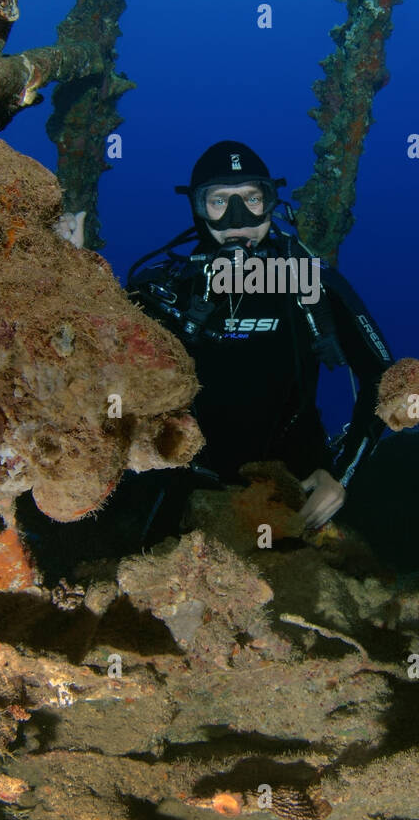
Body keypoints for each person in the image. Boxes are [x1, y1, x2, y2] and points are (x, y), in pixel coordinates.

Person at [126, 141, 393, 534]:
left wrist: (340, 476)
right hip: (184, 481)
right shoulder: (163, 290)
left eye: (252, 198)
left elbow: (384, 378)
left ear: (271, 201)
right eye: (219, 201)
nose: (238, 218)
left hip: (296, 481)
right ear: (197, 208)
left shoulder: (311, 285)